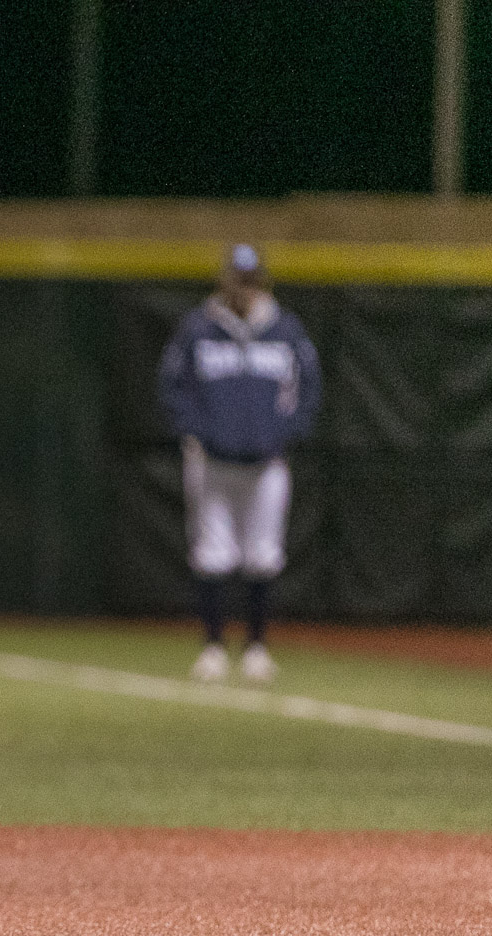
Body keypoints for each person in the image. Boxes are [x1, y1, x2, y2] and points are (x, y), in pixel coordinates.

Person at [158, 244, 321, 683]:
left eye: (252, 281)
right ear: (224, 280)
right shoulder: (198, 328)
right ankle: (212, 646)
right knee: (211, 552)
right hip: (211, 462)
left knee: (263, 554)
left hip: (267, 462)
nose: (245, 289)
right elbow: (173, 387)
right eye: (238, 279)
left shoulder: (286, 330)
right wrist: (196, 432)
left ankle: (256, 647)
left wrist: (285, 433)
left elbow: (308, 390)